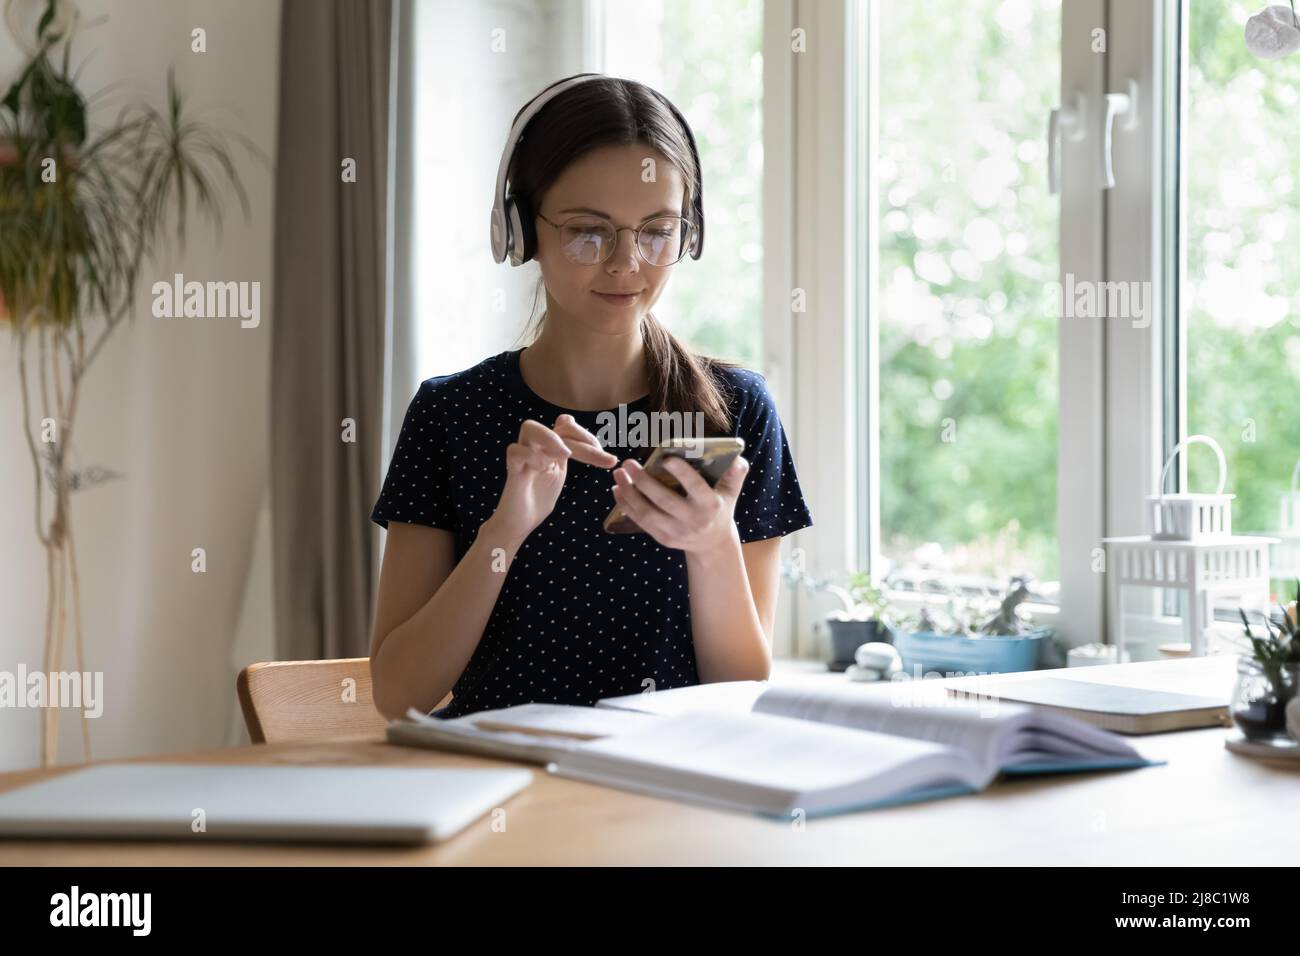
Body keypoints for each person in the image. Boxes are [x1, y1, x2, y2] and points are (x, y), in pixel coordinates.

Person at [368, 74, 813, 721]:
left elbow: (741, 687)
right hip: (499, 794)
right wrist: (505, 529)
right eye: (589, 231)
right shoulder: (449, 416)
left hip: (670, 792)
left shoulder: (735, 412)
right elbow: (396, 694)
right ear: (522, 231)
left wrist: (711, 544)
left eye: (657, 231)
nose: (627, 263)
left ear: (689, 234)